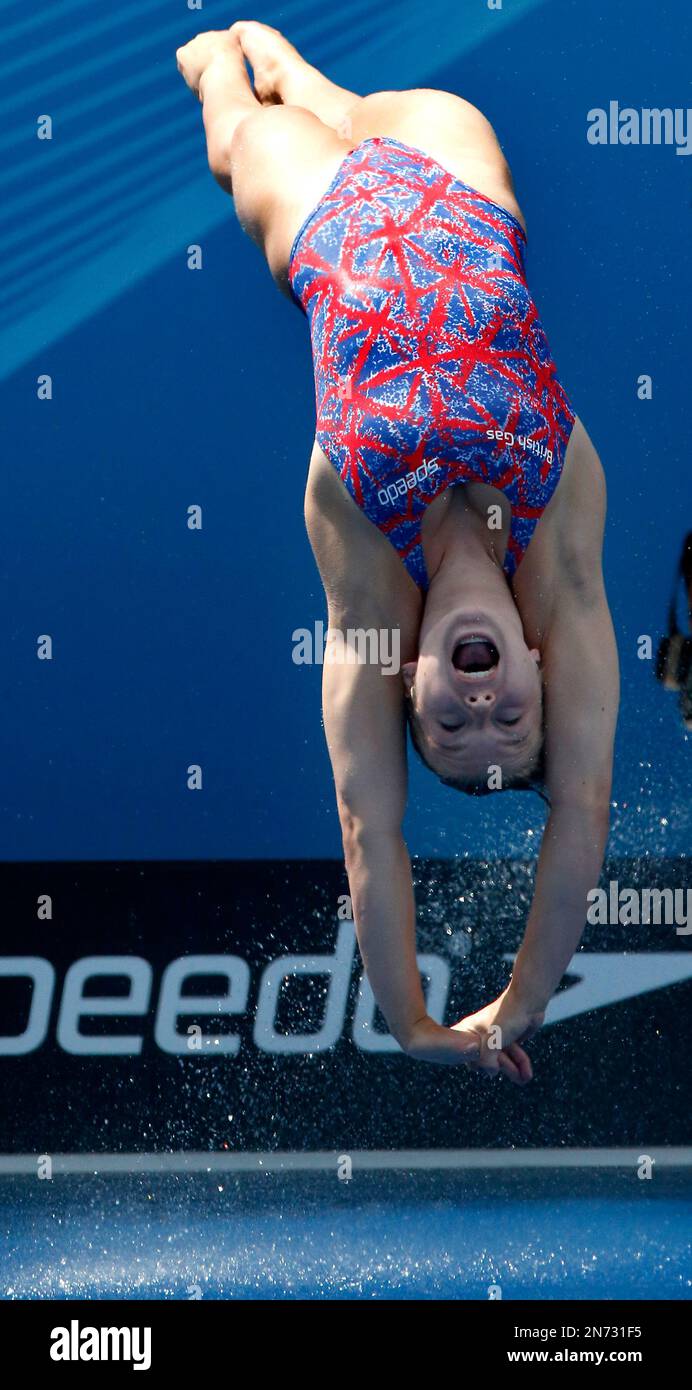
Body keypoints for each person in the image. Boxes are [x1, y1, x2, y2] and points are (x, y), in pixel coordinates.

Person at [176, 20, 620, 1084]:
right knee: (354, 109)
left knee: (239, 131)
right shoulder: (556, 558)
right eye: (509, 718)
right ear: (536, 663)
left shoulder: (365, 578)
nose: (481, 708)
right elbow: (582, 808)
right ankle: (303, 77)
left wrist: (419, 1023)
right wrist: (515, 1007)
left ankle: (227, 75)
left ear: (406, 684)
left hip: (323, 226)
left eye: (448, 725)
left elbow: (369, 828)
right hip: (459, 184)